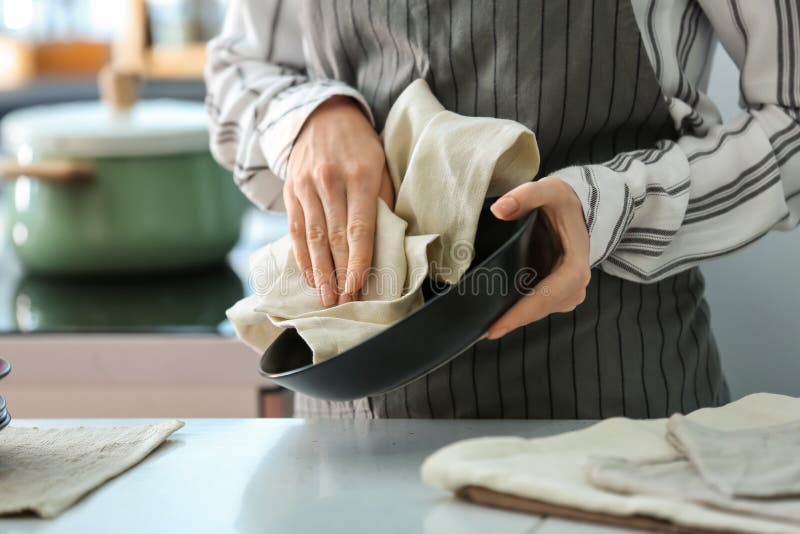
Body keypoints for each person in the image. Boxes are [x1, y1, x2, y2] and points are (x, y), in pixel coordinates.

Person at [206, 0, 800, 419]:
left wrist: (610, 204)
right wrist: (311, 114)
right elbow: (240, 64)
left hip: (610, 405)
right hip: (344, 430)